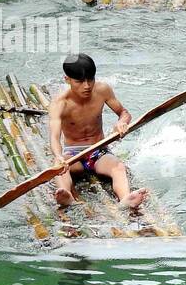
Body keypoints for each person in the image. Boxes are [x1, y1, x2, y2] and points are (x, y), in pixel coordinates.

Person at [48, 53, 148, 209]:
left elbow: (124, 112)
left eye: (90, 79)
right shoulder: (59, 103)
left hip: (100, 152)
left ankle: (125, 199)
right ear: (67, 79)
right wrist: (59, 156)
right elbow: (54, 138)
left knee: (118, 167)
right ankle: (67, 196)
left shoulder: (102, 90)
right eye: (80, 81)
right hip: (73, 155)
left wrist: (122, 123)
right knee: (58, 165)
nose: (87, 86)